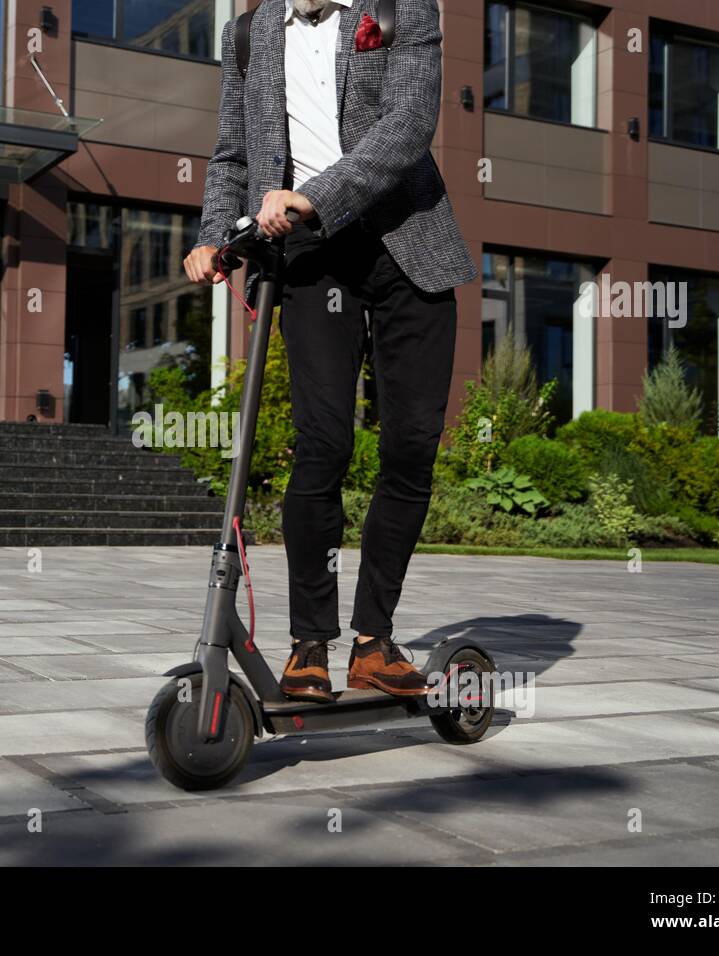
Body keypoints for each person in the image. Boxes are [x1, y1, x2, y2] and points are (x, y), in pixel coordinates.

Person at [183, 0, 476, 701]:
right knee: (323, 444)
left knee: (410, 446)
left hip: (408, 250)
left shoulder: (401, 10)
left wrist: (312, 196)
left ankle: (374, 641)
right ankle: (309, 644)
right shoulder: (249, 33)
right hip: (312, 262)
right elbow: (233, 152)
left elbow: (406, 127)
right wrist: (214, 233)